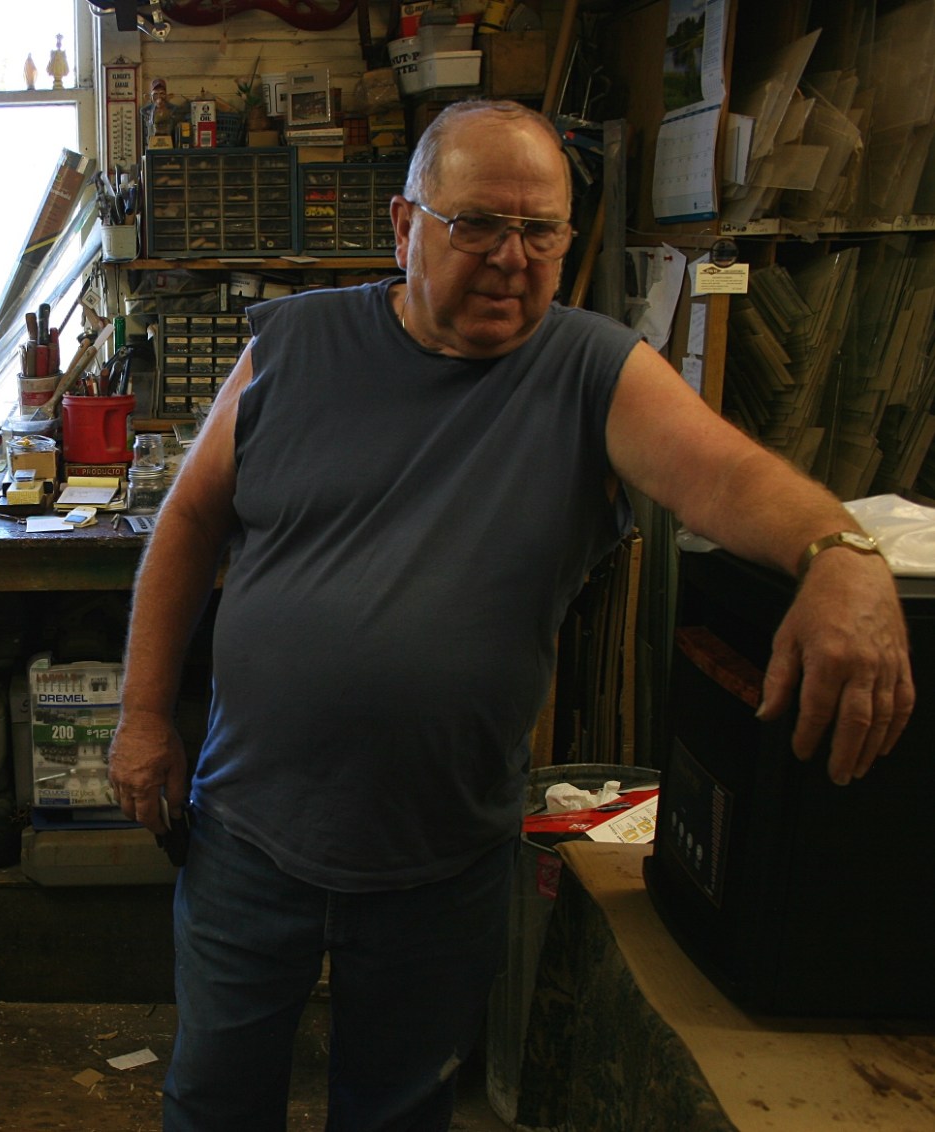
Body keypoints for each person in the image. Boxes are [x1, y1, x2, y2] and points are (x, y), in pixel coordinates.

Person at [107, 99, 914, 1132]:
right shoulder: (294, 345)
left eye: (541, 231)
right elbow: (187, 522)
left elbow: (727, 477)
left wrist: (839, 553)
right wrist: (142, 713)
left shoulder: (593, 371)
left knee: (395, 1110)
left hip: (438, 862)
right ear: (404, 227)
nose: (511, 257)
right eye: (478, 224)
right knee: (215, 1101)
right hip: (251, 834)